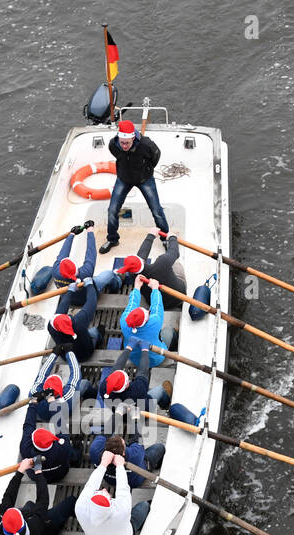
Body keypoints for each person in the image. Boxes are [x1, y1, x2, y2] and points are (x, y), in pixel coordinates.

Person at [100, 120, 167, 253]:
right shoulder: (113, 144)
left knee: (157, 211)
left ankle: (165, 238)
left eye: (127, 143)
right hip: (124, 179)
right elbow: (116, 153)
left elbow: (156, 156)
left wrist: (146, 169)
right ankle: (112, 239)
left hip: (144, 179)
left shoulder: (146, 145)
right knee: (112, 210)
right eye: (122, 142)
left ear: (133, 138)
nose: (124, 146)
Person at [0, 458, 77, 535]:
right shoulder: (34, 524)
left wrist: (20, 472)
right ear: (23, 523)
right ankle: (63, 524)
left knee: (29, 504)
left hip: (30, 534)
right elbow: (43, 499)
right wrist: (38, 471)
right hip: (43, 531)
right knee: (71, 502)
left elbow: (8, 497)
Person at [74, 448, 150, 535]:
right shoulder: (121, 510)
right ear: (110, 505)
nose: (104, 489)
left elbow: (90, 485)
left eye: (99, 492)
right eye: (107, 496)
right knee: (144, 505)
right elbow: (123, 488)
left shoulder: (80, 507)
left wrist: (103, 464)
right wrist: (119, 465)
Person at [120, 275, 177, 367]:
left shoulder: (123, 321)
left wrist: (137, 287)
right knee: (169, 331)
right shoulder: (154, 322)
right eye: (146, 314)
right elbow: (157, 305)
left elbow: (132, 303)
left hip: (134, 358)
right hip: (157, 358)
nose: (147, 311)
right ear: (146, 321)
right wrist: (155, 289)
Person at [18, 406, 78, 484]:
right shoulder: (63, 446)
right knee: (72, 451)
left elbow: (28, 426)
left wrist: (32, 405)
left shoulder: (25, 448)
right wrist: (53, 403)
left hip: (35, 477)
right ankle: (77, 459)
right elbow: (60, 424)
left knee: (67, 450)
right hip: (60, 475)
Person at [88, 432, 164, 491]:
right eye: (124, 445)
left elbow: (106, 431)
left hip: (110, 480)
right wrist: (135, 419)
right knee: (160, 447)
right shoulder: (135, 453)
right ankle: (156, 467)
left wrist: (118, 414)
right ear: (123, 453)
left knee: (114, 435)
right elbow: (137, 438)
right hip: (133, 482)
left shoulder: (95, 451)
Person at [136, 228, 187, 314]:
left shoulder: (132, 273)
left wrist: (150, 236)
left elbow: (141, 256)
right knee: (176, 264)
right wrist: (172, 238)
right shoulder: (162, 262)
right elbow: (175, 252)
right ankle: (168, 246)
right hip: (178, 297)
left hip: (152, 302)